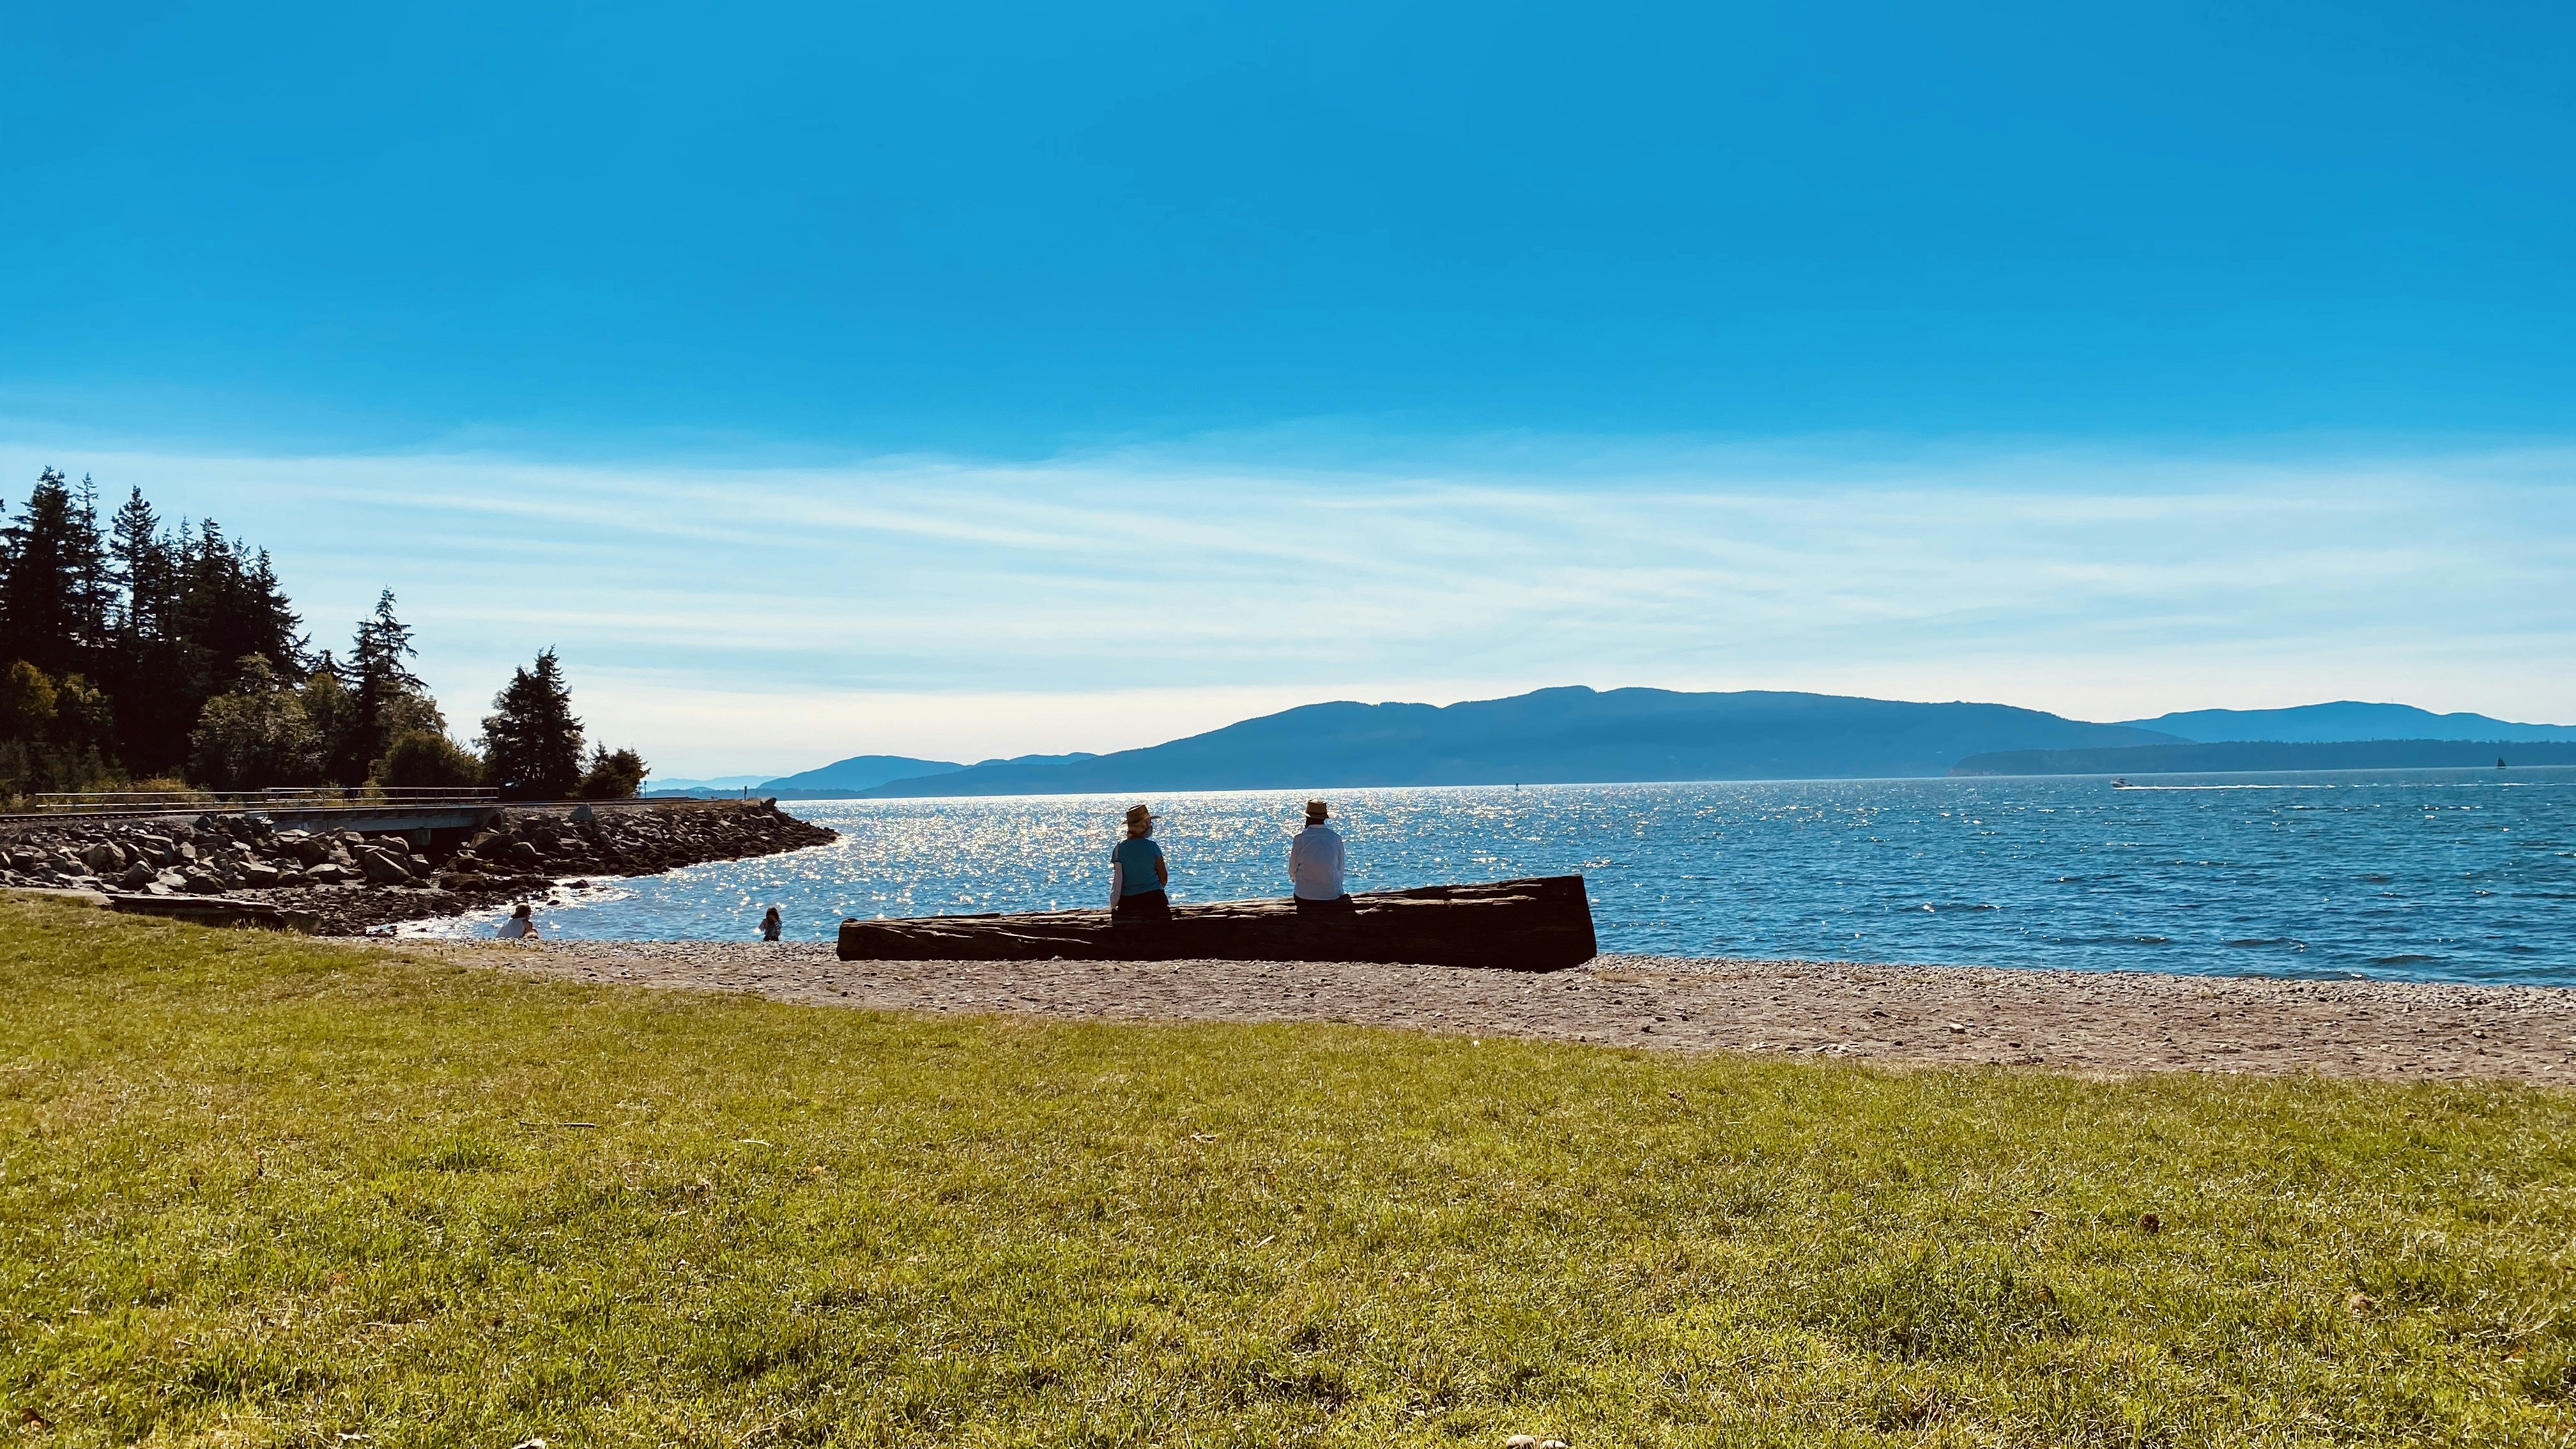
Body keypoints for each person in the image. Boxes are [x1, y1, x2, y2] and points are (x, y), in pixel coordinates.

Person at [1109, 803, 1171, 921]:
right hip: (1155, 901)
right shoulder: (1153, 847)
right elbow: (1163, 878)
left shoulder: (1119, 849)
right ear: (1144, 825)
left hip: (1128, 904)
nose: (1151, 825)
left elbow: (1118, 880)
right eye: (1149, 822)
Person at [1288, 799, 1351, 910]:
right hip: (1333, 895)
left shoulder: (1300, 838)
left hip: (1304, 896)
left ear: (1307, 818)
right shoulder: (1336, 838)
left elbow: (1293, 870)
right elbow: (1340, 868)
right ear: (1324, 819)